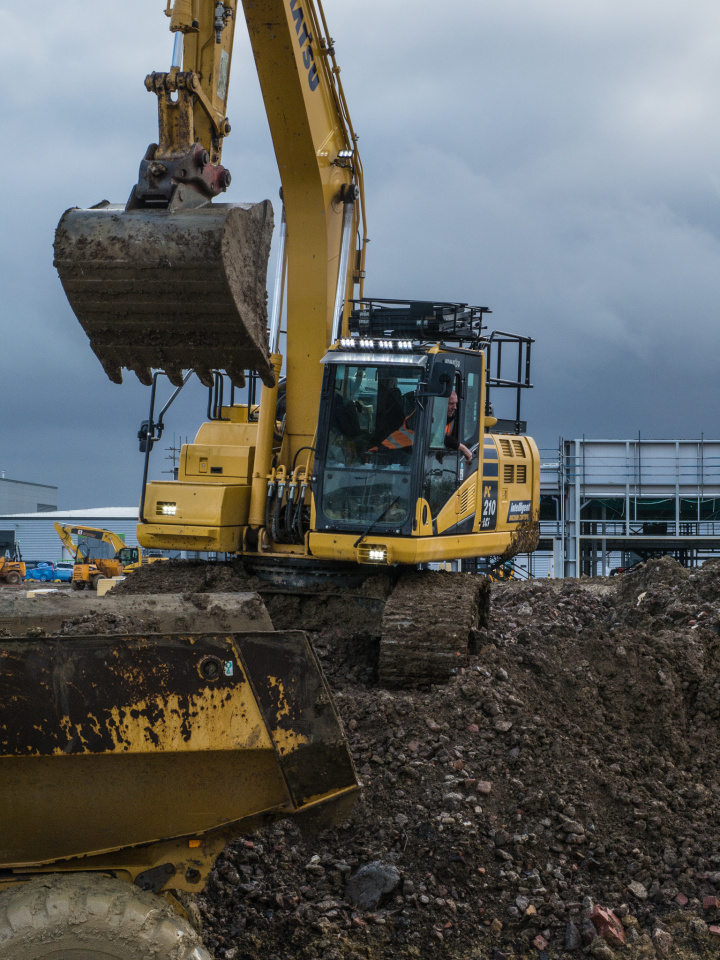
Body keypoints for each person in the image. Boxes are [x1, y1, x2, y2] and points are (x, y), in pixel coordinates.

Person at [444, 391, 473, 463]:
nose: (455, 407)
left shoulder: (453, 419)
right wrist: (463, 448)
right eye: (451, 404)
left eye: (455, 404)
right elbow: (436, 437)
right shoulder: (429, 417)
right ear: (441, 403)